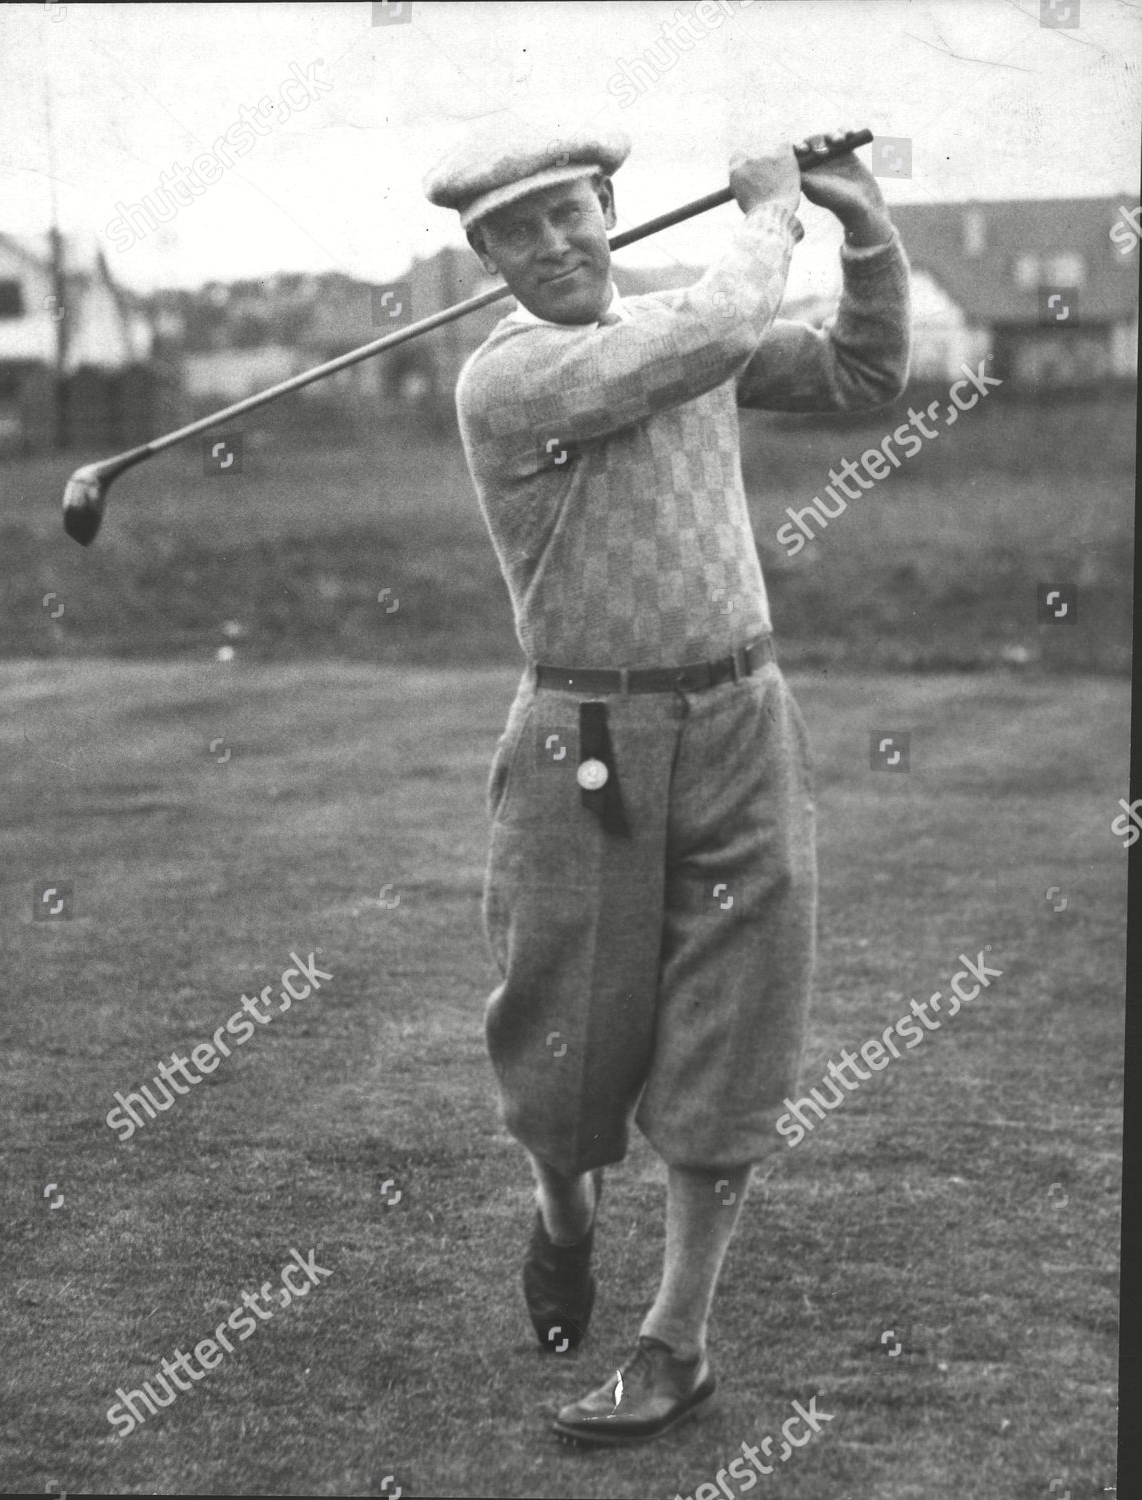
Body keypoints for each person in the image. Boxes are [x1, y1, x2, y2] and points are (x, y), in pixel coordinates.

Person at [423, 117, 910, 1447]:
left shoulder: (679, 327)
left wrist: (858, 221)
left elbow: (866, 367)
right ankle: (562, 1215)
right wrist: (767, 213)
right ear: (484, 257)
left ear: (605, 209)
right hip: (583, 745)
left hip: (742, 720)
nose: (553, 243)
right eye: (515, 231)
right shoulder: (513, 378)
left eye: (570, 211)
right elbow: (700, 337)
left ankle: (673, 1344)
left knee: (730, 1030)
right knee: (563, 1040)